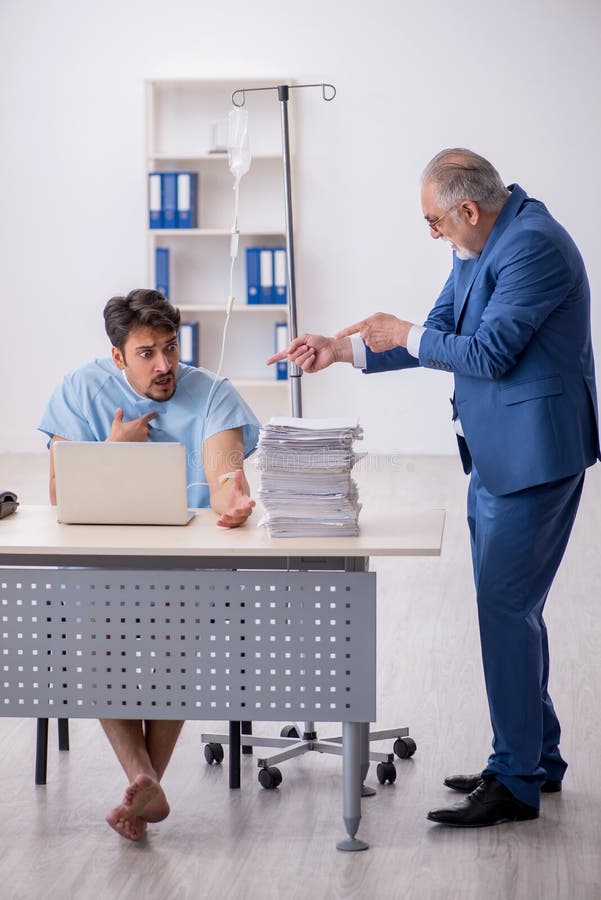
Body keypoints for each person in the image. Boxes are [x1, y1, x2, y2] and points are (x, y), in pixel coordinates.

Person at [268, 149, 600, 827]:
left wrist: (408, 333)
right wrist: (346, 350)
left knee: (504, 612)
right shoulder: (481, 241)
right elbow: (439, 332)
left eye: (434, 222)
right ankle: (535, 757)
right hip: (495, 451)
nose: (434, 235)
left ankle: (514, 781)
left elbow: (486, 353)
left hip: (535, 454)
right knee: (509, 610)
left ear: (466, 210)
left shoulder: (532, 246)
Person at [39, 288, 260, 841]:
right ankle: (146, 783)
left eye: (171, 347)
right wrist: (112, 450)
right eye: (146, 353)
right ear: (118, 356)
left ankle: (142, 782)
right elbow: (60, 493)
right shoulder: (80, 390)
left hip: (184, 574)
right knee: (96, 638)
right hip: (98, 568)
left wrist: (231, 497)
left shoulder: (212, 394)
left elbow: (225, 474)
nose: (165, 366)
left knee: (177, 636)